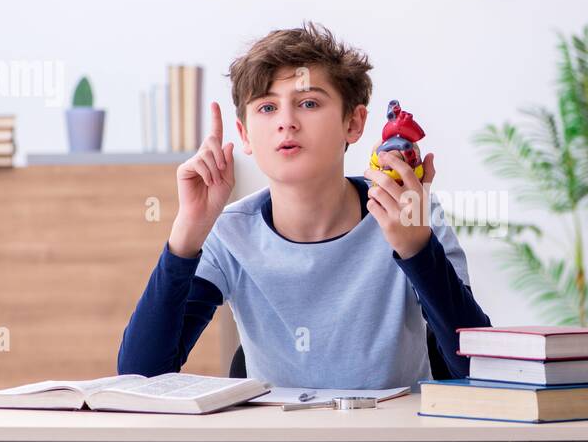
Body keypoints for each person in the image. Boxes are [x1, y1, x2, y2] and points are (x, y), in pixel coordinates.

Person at [116, 21, 491, 389]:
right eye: (266, 108)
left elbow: (479, 370)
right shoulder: (229, 232)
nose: (287, 122)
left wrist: (417, 250)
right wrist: (187, 233)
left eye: (308, 102)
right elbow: (141, 376)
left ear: (354, 122)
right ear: (244, 134)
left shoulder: (410, 215)